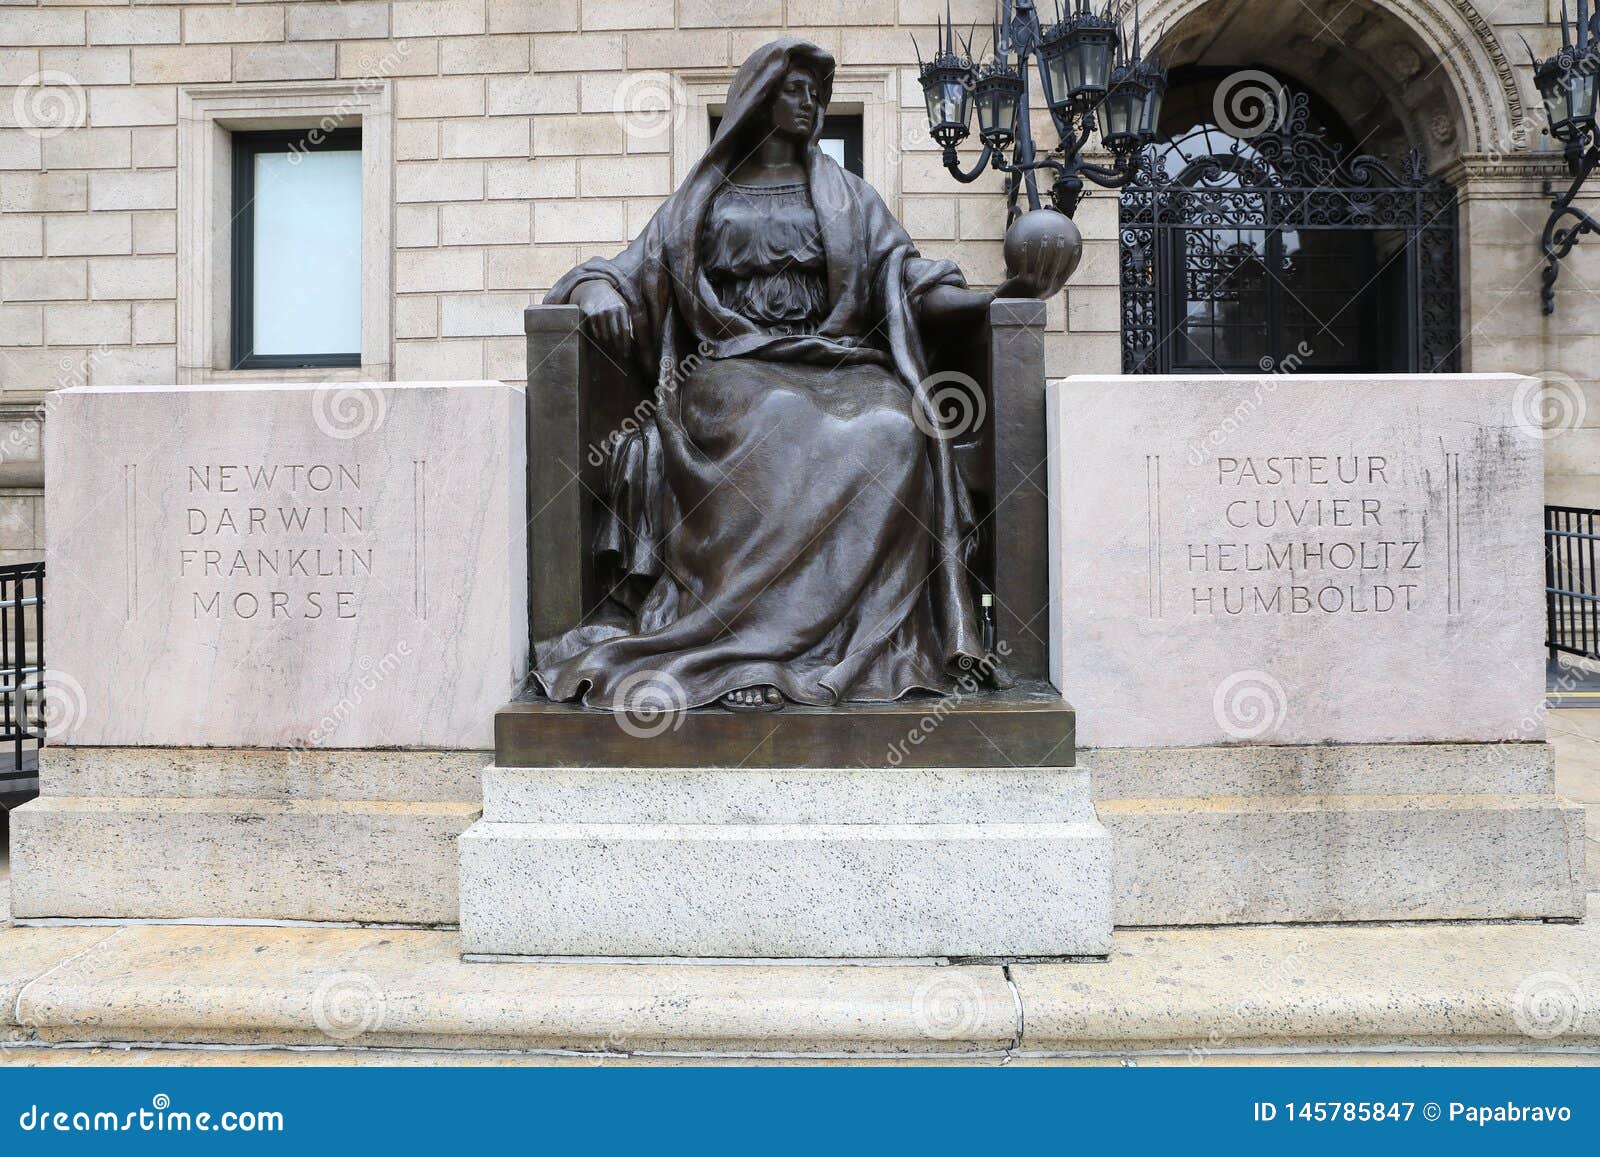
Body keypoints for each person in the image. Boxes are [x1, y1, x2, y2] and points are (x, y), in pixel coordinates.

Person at [535, 38, 1071, 713]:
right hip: (729, 366)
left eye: (817, 93)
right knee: (780, 414)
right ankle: (749, 645)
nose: (810, 103)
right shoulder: (700, 200)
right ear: (758, 98)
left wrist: (1002, 296)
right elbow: (623, 271)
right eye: (794, 89)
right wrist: (594, 291)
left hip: (839, 362)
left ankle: (839, 645)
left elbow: (910, 284)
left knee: (896, 424)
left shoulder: (850, 196)